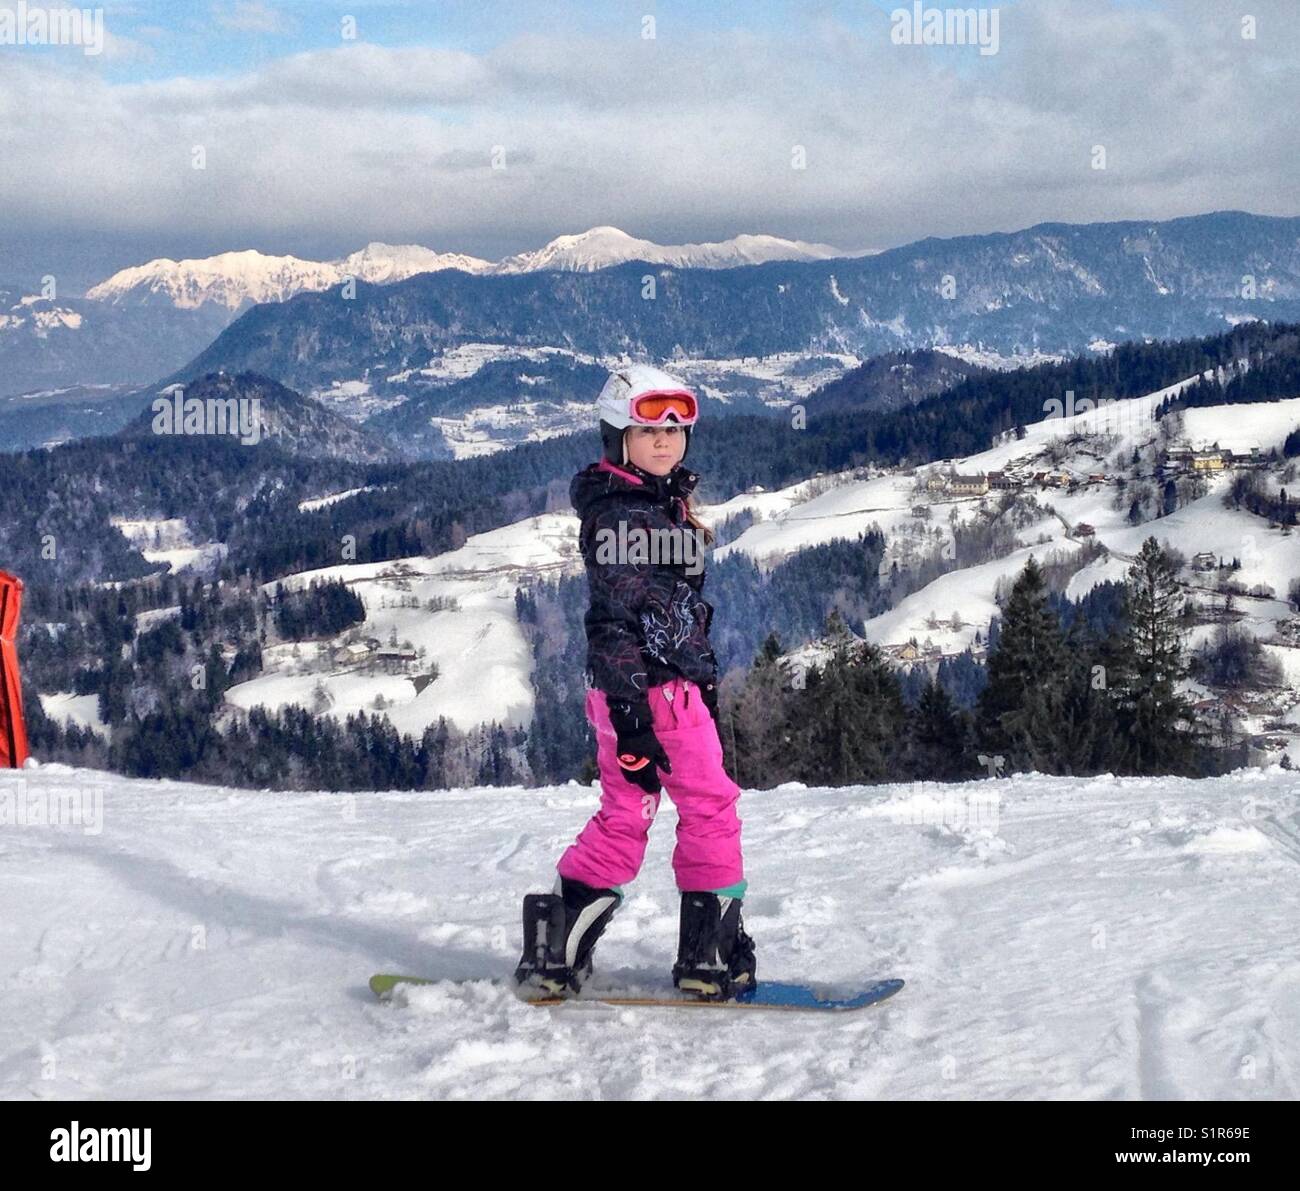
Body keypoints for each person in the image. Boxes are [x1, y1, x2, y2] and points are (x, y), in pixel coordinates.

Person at [513, 364, 756, 1001]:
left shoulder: (641, 503)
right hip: (655, 691)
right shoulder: (627, 517)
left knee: (626, 811)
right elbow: (616, 618)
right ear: (617, 436)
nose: (665, 441)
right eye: (648, 430)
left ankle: (553, 949)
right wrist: (634, 712)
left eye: (676, 430)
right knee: (710, 806)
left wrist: (626, 704)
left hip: (633, 690)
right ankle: (713, 956)